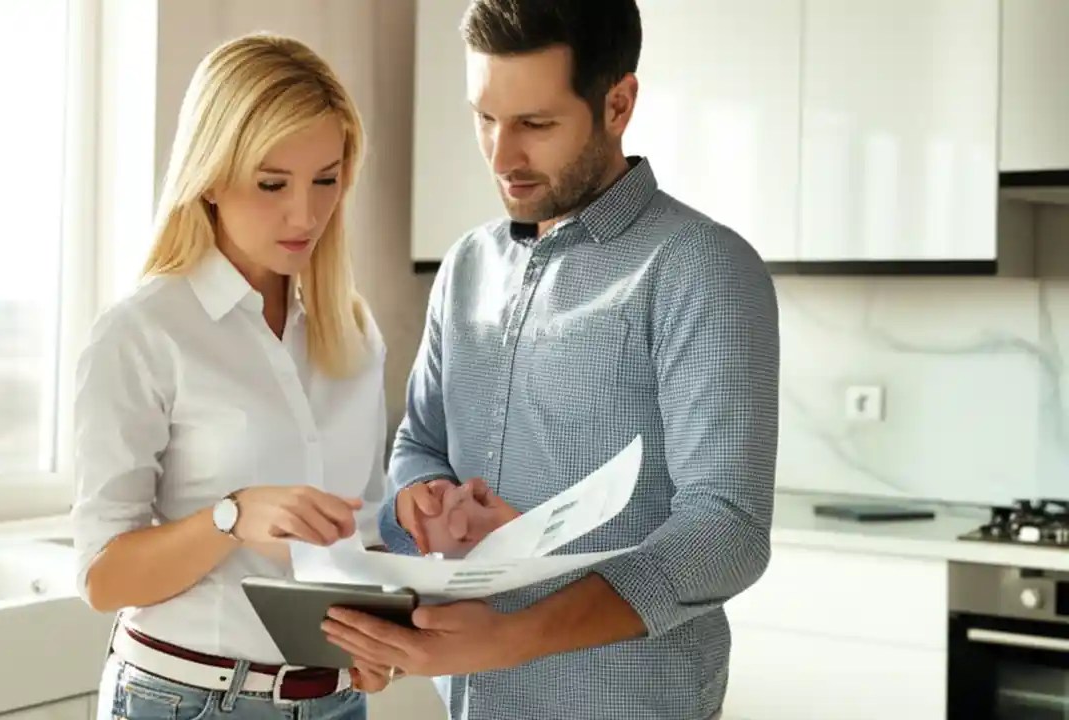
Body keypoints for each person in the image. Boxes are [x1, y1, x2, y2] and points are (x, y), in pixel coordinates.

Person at [321, 1, 780, 719]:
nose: (503, 156)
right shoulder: (467, 265)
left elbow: (727, 531)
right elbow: (419, 441)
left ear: (618, 103)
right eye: (484, 118)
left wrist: (508, 639)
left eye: (536, 124)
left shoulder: (699, 267)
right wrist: (421, 501)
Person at [72, 33, 397, 720]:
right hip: (184, 700)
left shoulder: (355, 334)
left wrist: (372, 636)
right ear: (213, 176)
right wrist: (232, 515)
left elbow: (357, 532)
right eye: (272, 184)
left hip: (335, 705)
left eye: (327, 179)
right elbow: (102, 576)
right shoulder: (144, 331)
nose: (305, 215)